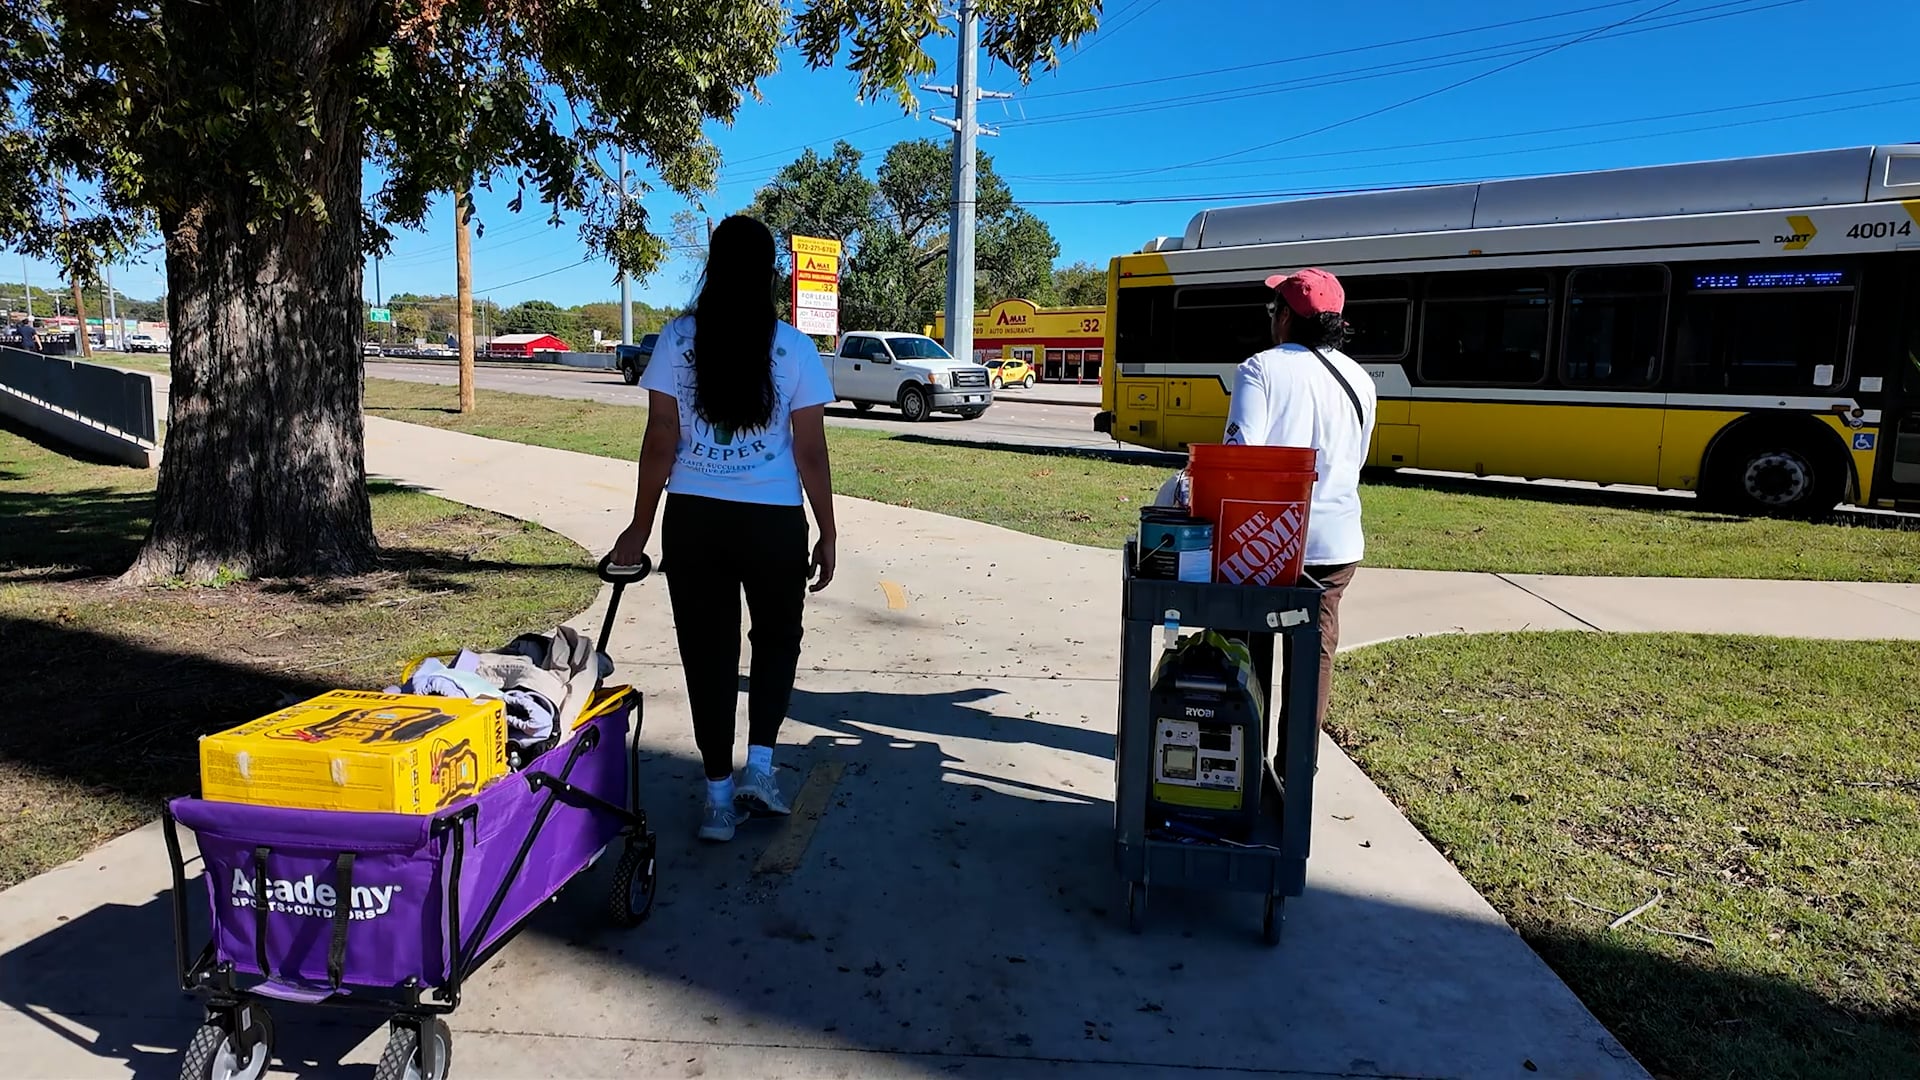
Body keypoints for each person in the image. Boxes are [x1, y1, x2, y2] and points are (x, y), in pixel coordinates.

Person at [607, 215, 837, 843]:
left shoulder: (678, 339)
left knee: (706, 654)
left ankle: (716, 798)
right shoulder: (793, 347)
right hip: (773, 522)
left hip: (695, 519)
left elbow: (660, 439)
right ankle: (759, 769)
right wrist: (829, 531)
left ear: (712, 267)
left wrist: (638, 526)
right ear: (770, 274)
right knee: (776, 641)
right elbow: (810, 452)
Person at [1221, 268, 1376, 729]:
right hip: (1335, 546)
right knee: (1315, 649)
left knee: (1250, 645)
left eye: (1275, 309)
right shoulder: (1361, 380)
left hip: (1267, 544)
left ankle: (1249, 761)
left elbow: (1240, 459)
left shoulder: (1260, 368)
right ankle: (1297, 775)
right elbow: (1357, 459)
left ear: (1285, 316)